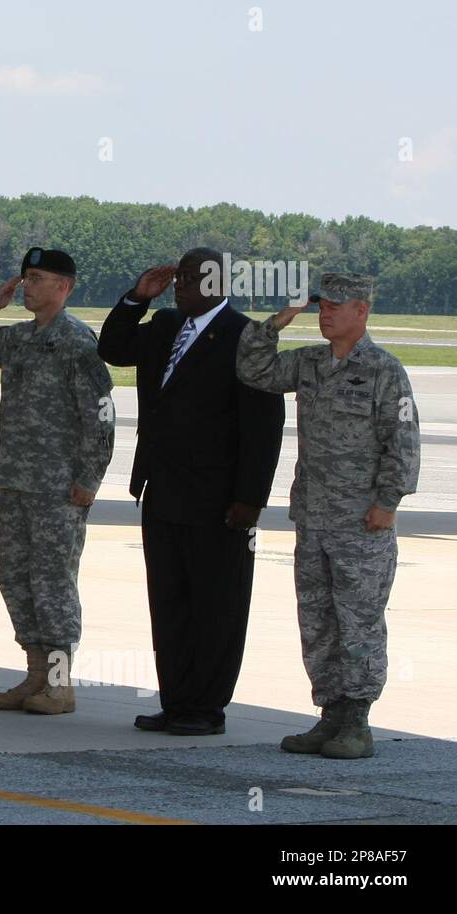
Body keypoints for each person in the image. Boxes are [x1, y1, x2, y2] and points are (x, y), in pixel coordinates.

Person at [97, 248, 284, 735]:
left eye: (189, 278)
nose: (178, 285)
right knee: (170, 601)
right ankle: (177, 700)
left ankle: (207, 707)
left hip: (219, 501)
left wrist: (250, 500)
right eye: (177, 277)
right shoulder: (164, 325)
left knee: (216, 605)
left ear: (218, 283)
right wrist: (137, 298)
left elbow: (264, 425)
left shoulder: (246, 337)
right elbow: (113, 348)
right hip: (163, 491)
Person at [237, 273, 420, 759]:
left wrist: (388, 502)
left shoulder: (384, 370)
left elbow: (402, 443)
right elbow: (254, 371)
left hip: (362, 522)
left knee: (357, 620)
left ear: (362, 311)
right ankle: (329, 715)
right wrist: (279, 319)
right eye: (321, 307)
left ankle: (356, 722)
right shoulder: (311, 363)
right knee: (317, 621)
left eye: (336, 307)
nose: (326, 314)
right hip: (314, 517)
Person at [0, 247, 114, 714]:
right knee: (15, 579)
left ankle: (60, 686)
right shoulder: (20, 338)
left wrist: (89, 477)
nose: (28, 285)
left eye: (39, 278)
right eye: (25, 277)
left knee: (54, 584)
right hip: (16, 480)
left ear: (64, 287)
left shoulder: (77, 342)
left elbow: (101, 417)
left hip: (58, 487)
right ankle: (36, 675)